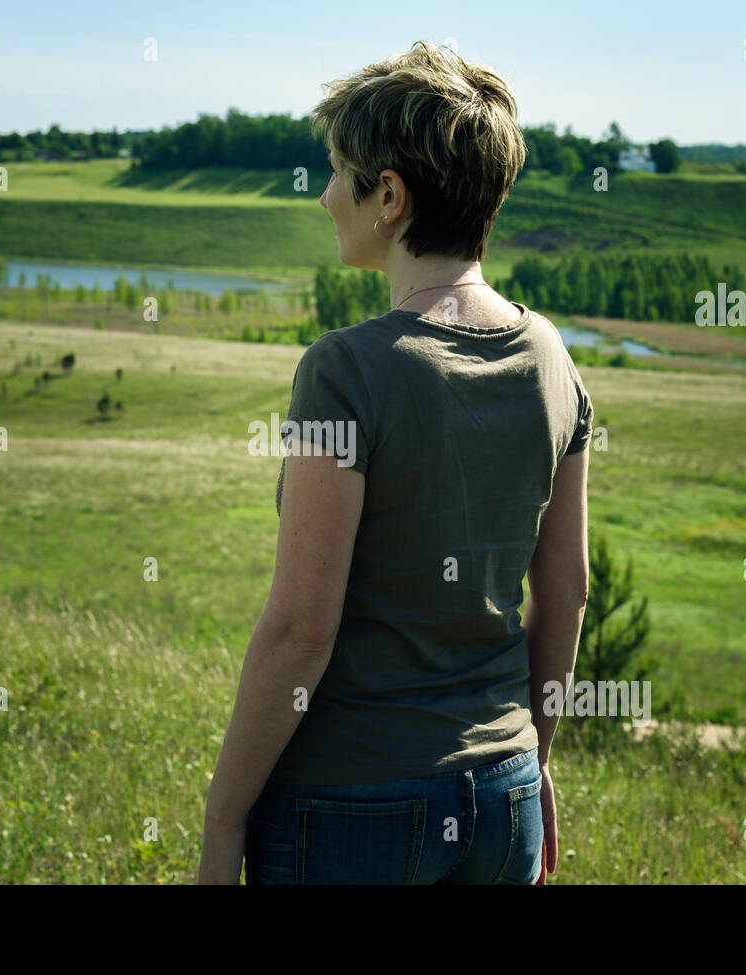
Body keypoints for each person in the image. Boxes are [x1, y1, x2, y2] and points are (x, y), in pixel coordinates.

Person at [199, 39, 593, 884]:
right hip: (504, 795)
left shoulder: (345, 369)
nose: (324, 195)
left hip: (349, 805)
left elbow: (302, 630)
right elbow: (564, 592)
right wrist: (534, 756)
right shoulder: (552, 357)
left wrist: (224, 813)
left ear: (390, 196)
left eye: (339, 170)